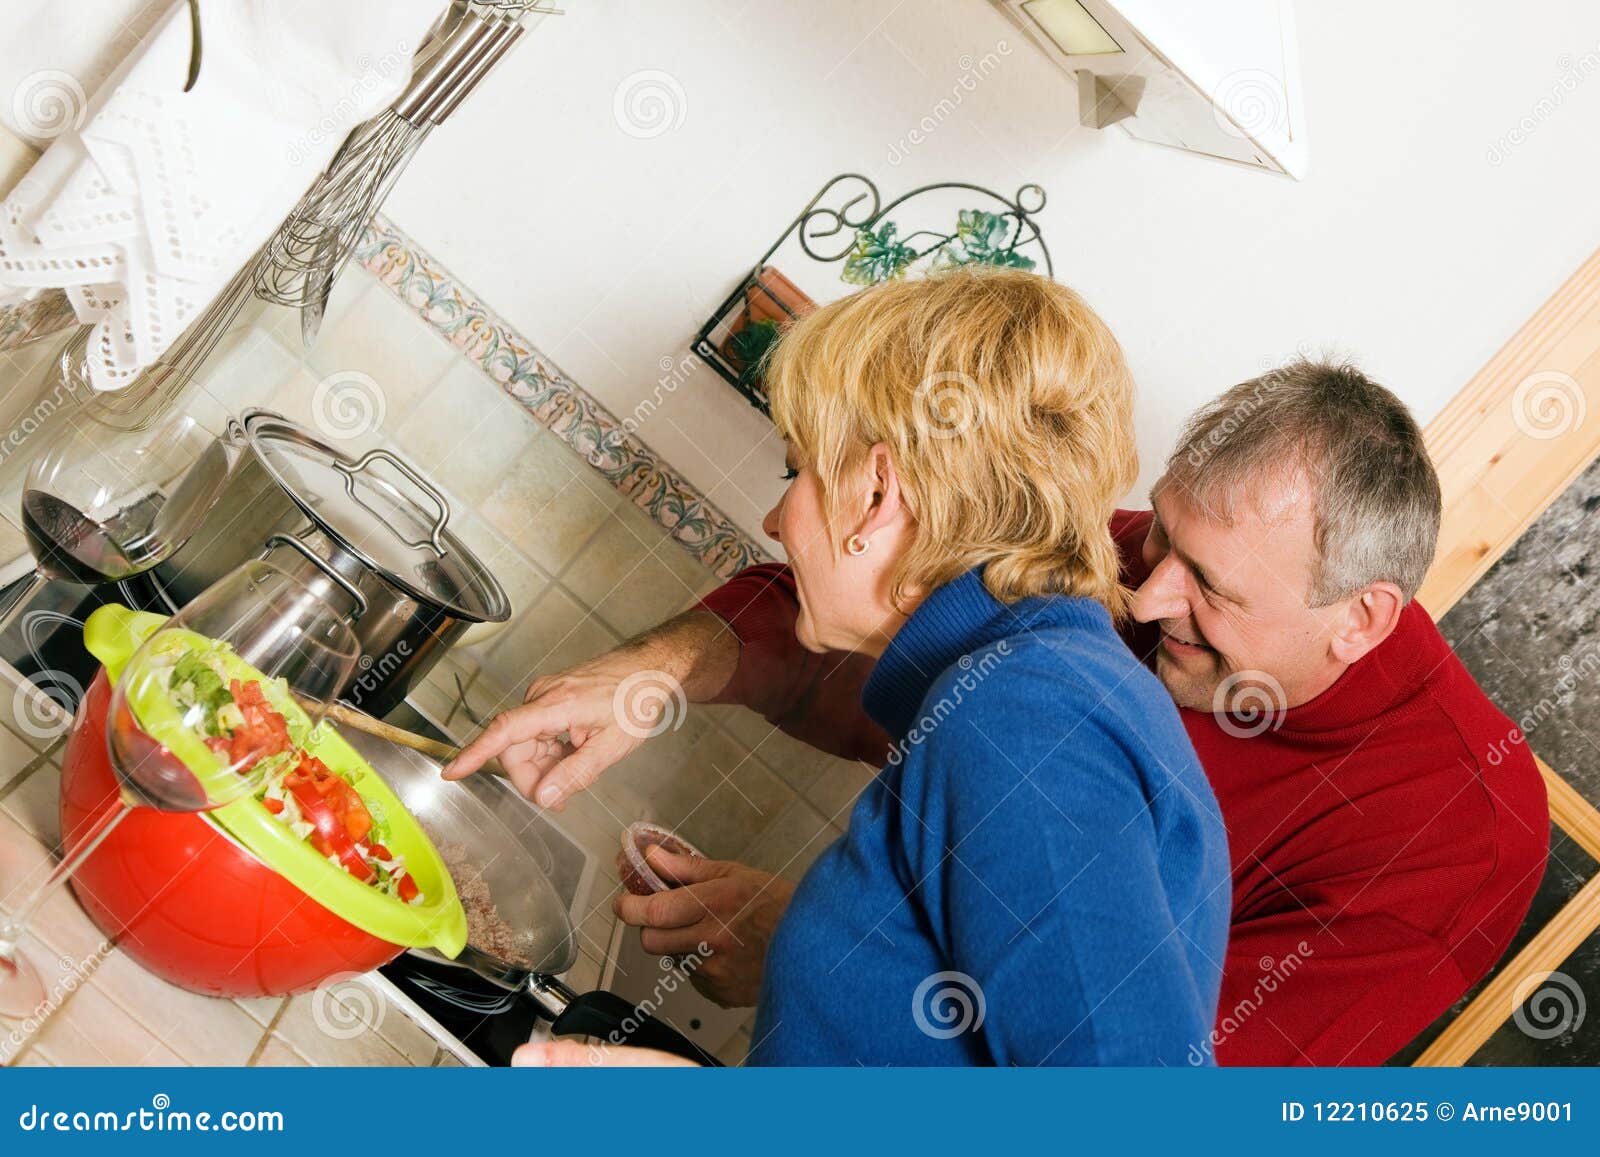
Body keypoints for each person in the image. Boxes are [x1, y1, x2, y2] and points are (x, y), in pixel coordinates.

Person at [451, 358, 1549, 1068]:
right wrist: (651, 673)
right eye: (1159, 534)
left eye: (1209, 587)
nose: (1144, 589)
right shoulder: (1132, 565)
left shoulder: (1459, 831)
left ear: (1359, 619)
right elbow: (856, 623)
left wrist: (834, 941)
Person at [455, 266, 1232, 1065]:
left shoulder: (1031, 716)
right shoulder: (1013, 689)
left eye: (796, 471)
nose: (772, 516)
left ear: (876, 494)